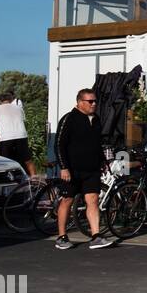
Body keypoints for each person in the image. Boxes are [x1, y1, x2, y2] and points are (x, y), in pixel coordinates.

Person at [55, 88, 111, 250]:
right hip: (72, 169)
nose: (94, 104)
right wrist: (64, 167)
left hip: (91, 169)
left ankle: (96, 236)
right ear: (80, 102)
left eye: (95, 101)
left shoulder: (96, 119)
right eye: (90, 101)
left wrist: (102, 162)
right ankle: (62, 236)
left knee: (93, 200)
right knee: (67, 200)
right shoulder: (69, 119)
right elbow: (59, 144)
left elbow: (97, 144)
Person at [0, 91, 36, 176]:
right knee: (27, 160)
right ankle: (35, 181)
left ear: (0, 101)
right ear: (11, 99)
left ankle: (6, 181)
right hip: (21, 135)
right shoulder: (19, 108)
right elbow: (23, 120)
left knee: (3, 161)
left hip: (6, 137)